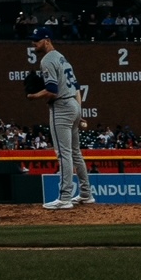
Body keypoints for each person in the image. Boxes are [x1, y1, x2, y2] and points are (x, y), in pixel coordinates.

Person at [27, 30, 94, 209]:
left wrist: (34, 96)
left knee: (64, 153)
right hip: (73, 104)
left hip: (61, 107)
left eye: (37, 40)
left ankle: (65, 197)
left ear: (47, 40)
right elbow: (77, 88)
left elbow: (52, 90)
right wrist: (79, 112)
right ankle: (86, 194)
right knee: (75, 153)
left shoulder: (47, 60)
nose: (34, 43)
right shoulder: (62, 58)